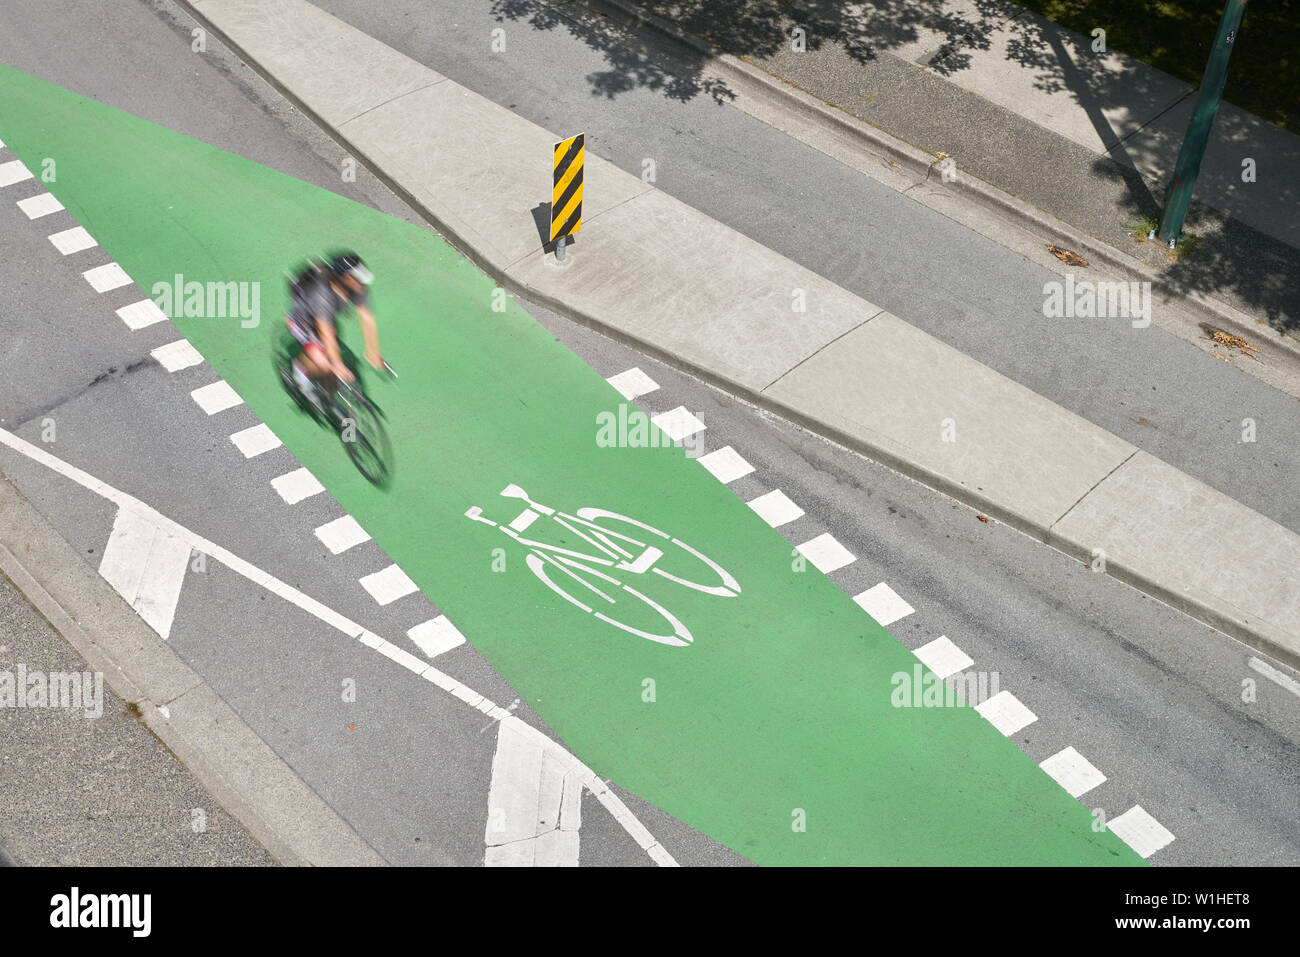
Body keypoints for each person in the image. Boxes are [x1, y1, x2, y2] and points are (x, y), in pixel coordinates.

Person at [285, 252, 383, 411]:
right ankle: (301, 370)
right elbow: (326, 332)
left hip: (325, 319)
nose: (362, 283)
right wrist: (337, 364)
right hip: (303, 321)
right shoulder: (322, 294)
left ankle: (329, 398)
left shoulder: (357, 286)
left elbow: (366, 317)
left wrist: (372, 351)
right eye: (357, 278)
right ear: (345, 277)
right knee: (324, 364)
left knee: (332, 365)